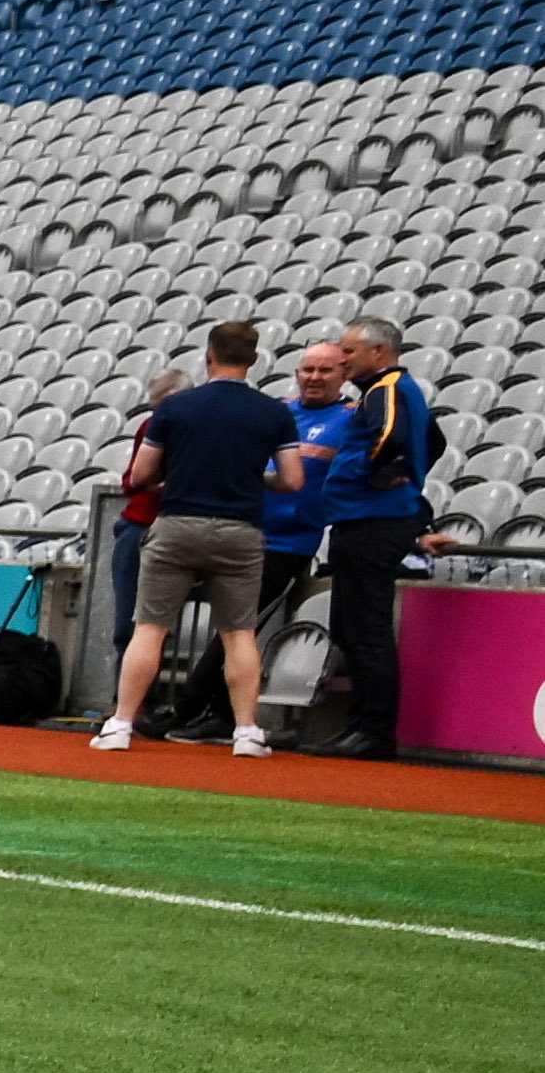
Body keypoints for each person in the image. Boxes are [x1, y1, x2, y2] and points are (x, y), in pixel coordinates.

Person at [95, 326, 296, 755]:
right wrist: (250, 477)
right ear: (254, 360)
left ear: (209, 356)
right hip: (240, 530)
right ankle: (246, 733)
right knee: (239, 634)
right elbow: (292, 480)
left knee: (149, 628)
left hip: (179, 524)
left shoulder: (176, 408)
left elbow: (143, 474)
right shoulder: (274, 412)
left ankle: (120, 724)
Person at [294, 322, 441, 755]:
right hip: (366, 519)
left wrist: (370, 476)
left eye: (349, 351)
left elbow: (390, 437)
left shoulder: (387, 388)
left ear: (378, 352)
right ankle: (362, 725)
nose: (343, 359)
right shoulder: (391, 388)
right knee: (353, 625)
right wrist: (408, 472)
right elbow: (434, 440)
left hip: (371, 521)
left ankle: (373, 731)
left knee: (365, 629)